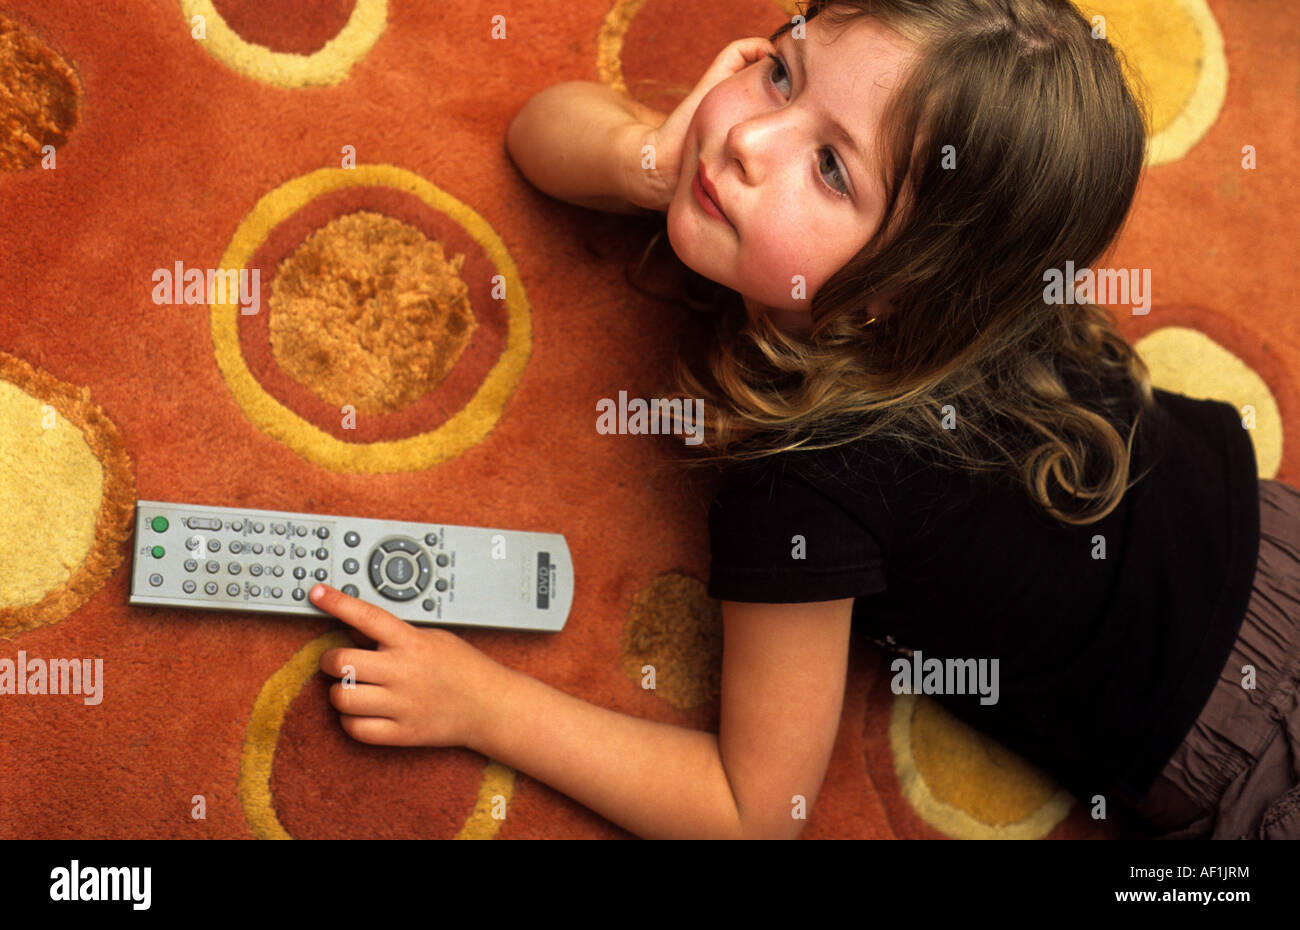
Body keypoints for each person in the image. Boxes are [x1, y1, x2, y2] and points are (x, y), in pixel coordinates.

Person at [311, 0, 1300, 840]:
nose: (745, 138)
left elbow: (754, 805)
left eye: (832, 170)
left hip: (1256, 753)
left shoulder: (809, 478)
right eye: (781, 74)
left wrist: (480, 705)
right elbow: (540, 130)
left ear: (906, 291)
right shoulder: (968, 276)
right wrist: (652, 159)